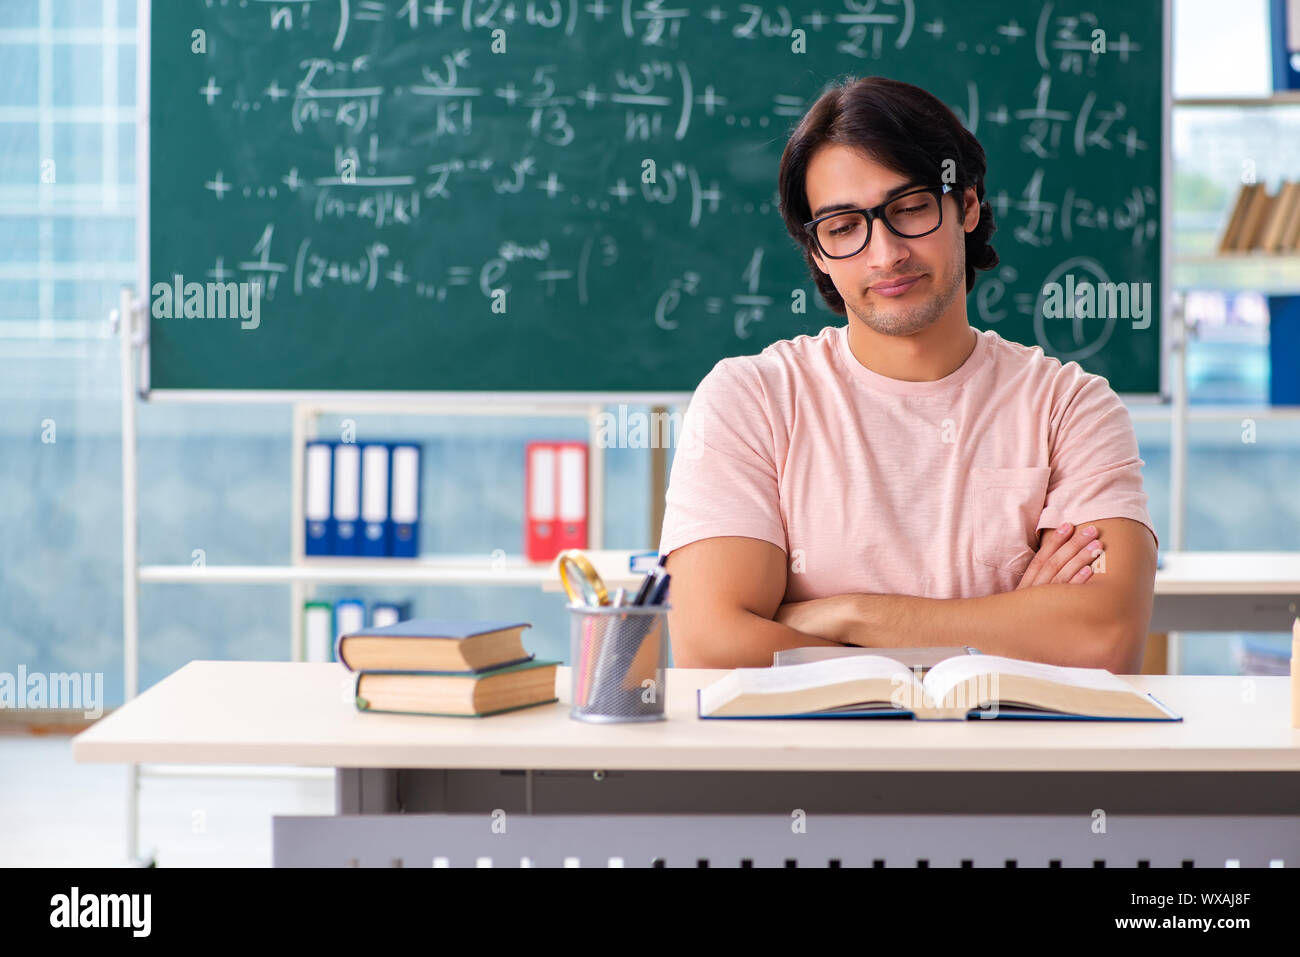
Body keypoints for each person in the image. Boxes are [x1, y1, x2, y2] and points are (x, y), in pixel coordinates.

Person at [659, 76, 1158, 673]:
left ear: (967, 205)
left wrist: (850, 615)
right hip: (803, 763)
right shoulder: (752, 400)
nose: (885, 253)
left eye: (911, 208)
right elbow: (712, 648)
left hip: (1010, 763)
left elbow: (1104, 640)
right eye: (843, 226)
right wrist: (1011, 623)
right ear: (816, 250)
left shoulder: (1071, 407)